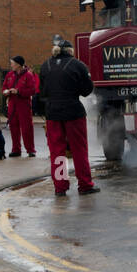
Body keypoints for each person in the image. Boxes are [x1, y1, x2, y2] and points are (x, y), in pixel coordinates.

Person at [39, 34, 98, 196]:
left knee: (57, 152)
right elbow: (87, 91)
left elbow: (42, 92)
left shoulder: (45, 66)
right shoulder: (78, 65)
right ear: (70, 51)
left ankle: (60, 187)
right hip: (74, 112)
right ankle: (85, 185)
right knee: (79, 150)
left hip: (52, 113)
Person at [2, 56, 38, 157]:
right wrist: (5, 91)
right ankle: (16, 149)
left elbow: (32, 90)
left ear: (18, 64)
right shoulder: (9, 75)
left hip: (24, 105)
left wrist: (18, 91)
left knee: (27, 128)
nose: (11, 65)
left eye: (12, 63)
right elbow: (4, 86)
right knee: (13, 128)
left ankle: (31, 150)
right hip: (12, 104)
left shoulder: (28, 75)